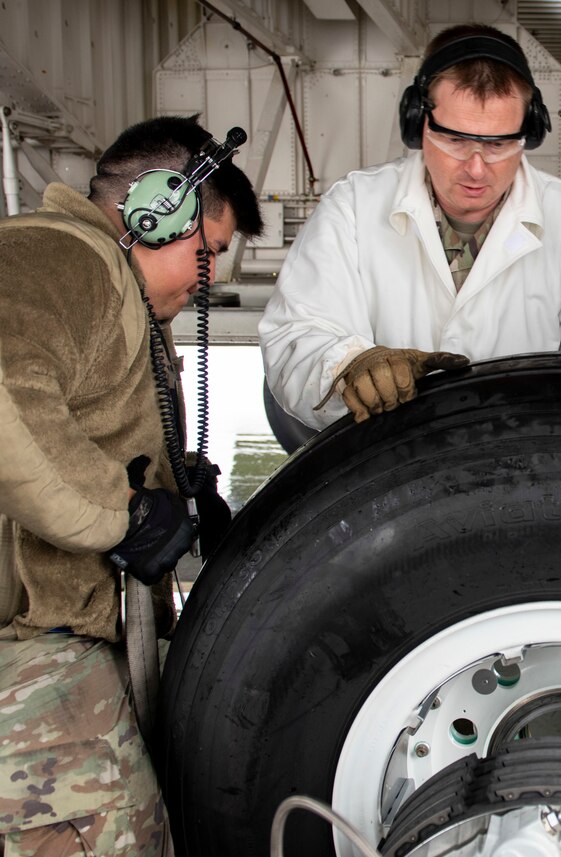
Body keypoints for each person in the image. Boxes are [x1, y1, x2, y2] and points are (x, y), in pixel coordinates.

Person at [0, 115, 262, 856]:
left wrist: (182, 486)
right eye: (207, 253)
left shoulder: (113, 290)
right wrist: (124, 516)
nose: (211, 278)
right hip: (33, 663)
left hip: (65, 657)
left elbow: (89, 424)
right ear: (156, 210)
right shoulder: (60, 257)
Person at [260, 24, 561, 429]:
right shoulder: (353, 208)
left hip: (523, 469)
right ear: (418, 124)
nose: (477, 168)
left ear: (528, 135)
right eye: (455, 140)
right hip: (385, 464)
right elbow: (295, 339)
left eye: (499, 145)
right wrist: (347, 366)